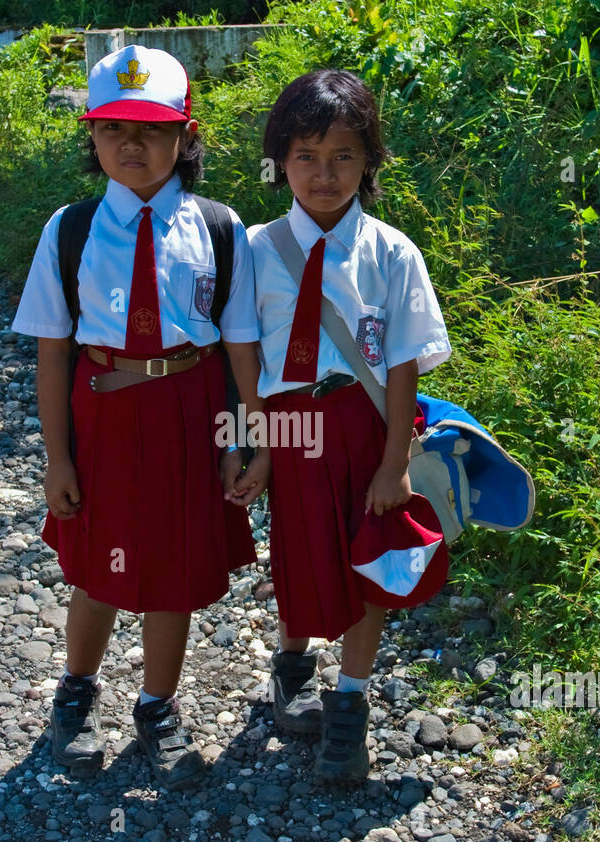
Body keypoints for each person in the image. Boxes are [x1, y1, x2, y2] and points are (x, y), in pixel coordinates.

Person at [10, 45, 260, 790]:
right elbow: (52, 354)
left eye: (153, 130)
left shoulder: (219, 226)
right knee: (102, 565)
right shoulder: (71, 230)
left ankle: (157, 706)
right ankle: (76, 692)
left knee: (176, 566)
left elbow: (240, 342)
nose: (132, 146)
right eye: (113, 128)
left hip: (191, 404)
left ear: (187, 135)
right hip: (105, 412)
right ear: (90, 137)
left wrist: (244, 436)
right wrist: (58, 457)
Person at [231, 69, 452, 784]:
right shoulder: (256, 250)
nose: (324, 176)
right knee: (295, 552)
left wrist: (394, 463)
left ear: (369, 161)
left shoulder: (392, 253)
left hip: (364, 421)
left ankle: (349, 708)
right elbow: (245, 355)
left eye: (343, 157)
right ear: (280, 161)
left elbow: (403, 364)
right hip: (292, 426)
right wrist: (257, 447)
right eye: (306, 157)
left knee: (366, 557)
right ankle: (291, 667)